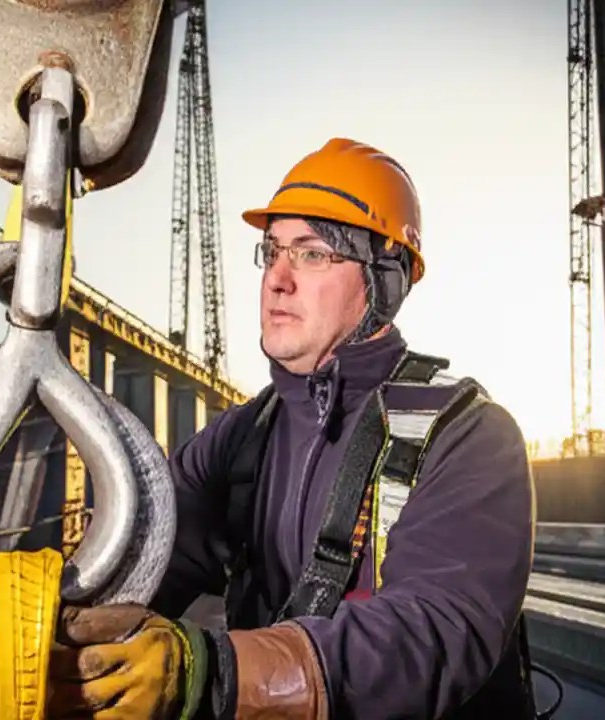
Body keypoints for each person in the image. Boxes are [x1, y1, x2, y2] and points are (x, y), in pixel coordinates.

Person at [47, 138, 538, 719]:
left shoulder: (468, 439)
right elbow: (143, 557)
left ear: (386, 278)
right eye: (272, 251)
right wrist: (55, 618)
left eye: (311, 254)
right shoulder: (242, 437)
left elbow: (430, 635)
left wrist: (213, 673)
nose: (277, 278)